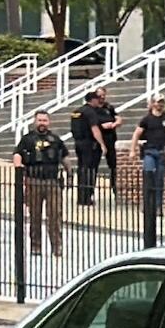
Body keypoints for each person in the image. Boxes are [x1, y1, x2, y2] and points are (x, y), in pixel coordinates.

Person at [12, 110, 69, 258]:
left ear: (49, 122)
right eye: (39, 120)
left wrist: (70, 173)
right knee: (35, 216)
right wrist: (18, 171)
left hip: (52, 182)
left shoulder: (55, 139)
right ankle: (35, 247)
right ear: (34, 121)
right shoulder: (27, 139)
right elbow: (17, 154)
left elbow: (64, 157)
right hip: (33, 181)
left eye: (44, 120)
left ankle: (57, 247)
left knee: (55, 216)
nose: (42, 123)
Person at [134, 95, 165, 248]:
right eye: (157, 102)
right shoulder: (146, 119)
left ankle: (157, 206)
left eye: (162, 102)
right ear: (152, 104)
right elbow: (136, 134)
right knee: (148, 175)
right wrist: (133, 150)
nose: (159, 104)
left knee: (160, 180)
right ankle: (147, 204)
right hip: (149, 151)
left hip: (161, 151)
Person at [72, 90, 120, 206]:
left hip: (79, 143)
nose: (98, 102)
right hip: (90, 144)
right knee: (90, 171)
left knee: (81, 170)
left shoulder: (77, 112)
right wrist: (102, 144)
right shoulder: (90, 112)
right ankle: (87, 197)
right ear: (93, 100)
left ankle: (81, 197)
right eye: (97, 99)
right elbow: (95, 129)